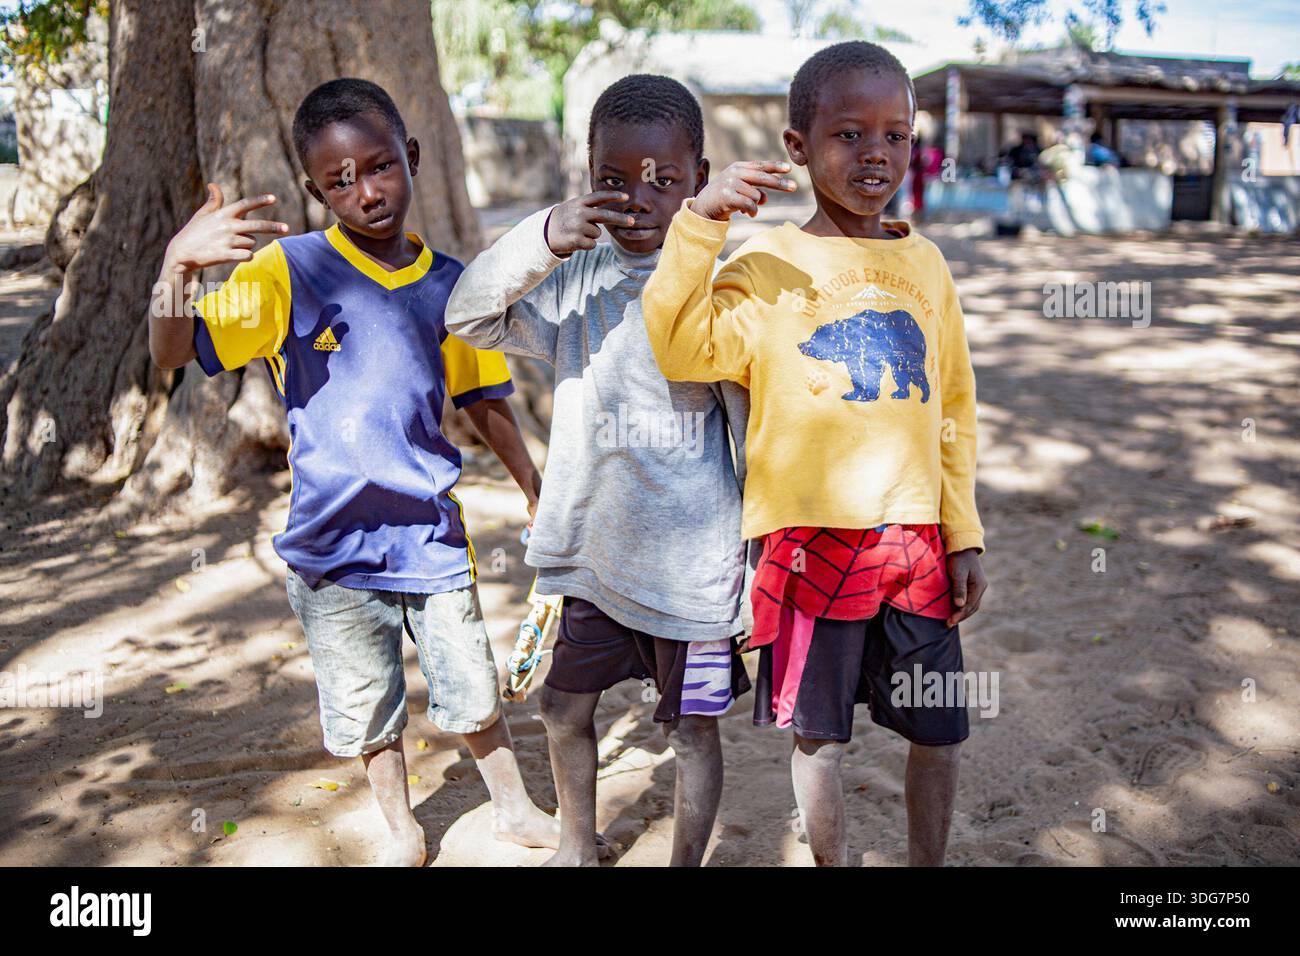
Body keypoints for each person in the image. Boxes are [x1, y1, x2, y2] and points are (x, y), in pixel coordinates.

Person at [148, 78, 562, 867]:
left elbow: (482, 394)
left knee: (472, 685)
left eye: (379, 168)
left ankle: (511, 805)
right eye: (339, 181)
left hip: (430, 534)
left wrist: (534, 486)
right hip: (332, 547)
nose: (365, 192)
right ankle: (401, 825)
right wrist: (178, 264)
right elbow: (173, 353)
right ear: (314, 189)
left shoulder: (451, 284)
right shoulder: (286, 272)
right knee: (367, 701)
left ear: (411, 158)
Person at [641, 41, 988, 867]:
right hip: (807, 543)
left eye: (896, 135)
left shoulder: (927, 265)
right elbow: (681, 347)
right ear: (798, 146)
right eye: (849, 134)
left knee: (938, 729)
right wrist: (700, 223)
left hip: (916, 544)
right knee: (819, 737)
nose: (876, 153)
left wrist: (962, 530)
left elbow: (955, 409)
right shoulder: (762, 265)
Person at [445, 74, 751, 867]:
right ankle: (578, 847)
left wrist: (753, 562)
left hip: (696, 570)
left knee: (694, 728)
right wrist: (545, 233)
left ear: (699, 177)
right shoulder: (575, 279)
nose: (639, 200)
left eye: (664, 181)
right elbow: (468, 313)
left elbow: (750, 436)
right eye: (614, 180)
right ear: (587, 177)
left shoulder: (718, 287)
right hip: (594, 559)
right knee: (562, 707)